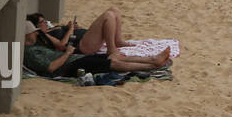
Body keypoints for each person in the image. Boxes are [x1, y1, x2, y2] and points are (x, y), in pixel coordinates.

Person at [23, 28, 170, 78]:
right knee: (111, 63)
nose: (37, 34)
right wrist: (67, 54)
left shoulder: (36, 45)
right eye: (34, 32)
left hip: (75, 59)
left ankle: (152, 59)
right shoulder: (30, 52)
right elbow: (50, 68)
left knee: (113, 56)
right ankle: (150, 65)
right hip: (69, 66)